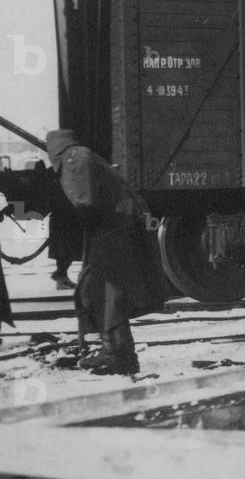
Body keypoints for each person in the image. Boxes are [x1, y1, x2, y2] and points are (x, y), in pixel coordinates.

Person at [45, 130, 165, 375]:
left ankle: (116, 355)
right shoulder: (81, 154)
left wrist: (76, 226)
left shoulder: (73, 158)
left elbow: (85, 202)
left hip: (115, 229)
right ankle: (118, 354)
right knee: (104, 291)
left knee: (99, 289)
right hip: (119, 226)